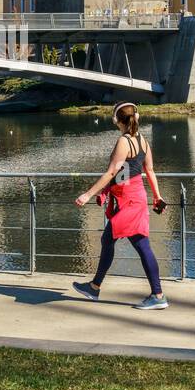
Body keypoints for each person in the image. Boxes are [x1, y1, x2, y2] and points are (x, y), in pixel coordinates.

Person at [72, 101, 168, 309]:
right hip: (135, 198)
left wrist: (88, 194)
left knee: (125, 242)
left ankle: (155, 295)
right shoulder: (142, 141)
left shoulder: (124, 141)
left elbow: (113, 172)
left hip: (130, 201)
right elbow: (148, 171)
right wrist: (157, 196)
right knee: (134, 244)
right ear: (137, 117)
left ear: (116, 120)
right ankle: (96, 287)